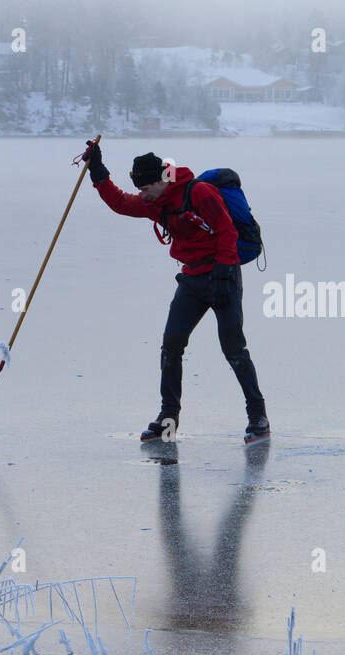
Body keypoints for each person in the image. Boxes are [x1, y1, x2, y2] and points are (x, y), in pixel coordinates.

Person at [81, 142, 269, 444]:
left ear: (160, 180)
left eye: (146, 187)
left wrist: (223, 272)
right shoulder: (154, 202)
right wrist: (98, 172)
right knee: (171, 345)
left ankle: (257, 416)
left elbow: (226, 231)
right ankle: (168, 418)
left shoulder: (198, 193)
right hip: (192, 279)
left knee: (233, 348)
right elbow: (120, 203)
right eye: (140, 188)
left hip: (224, 275)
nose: (143, 194)